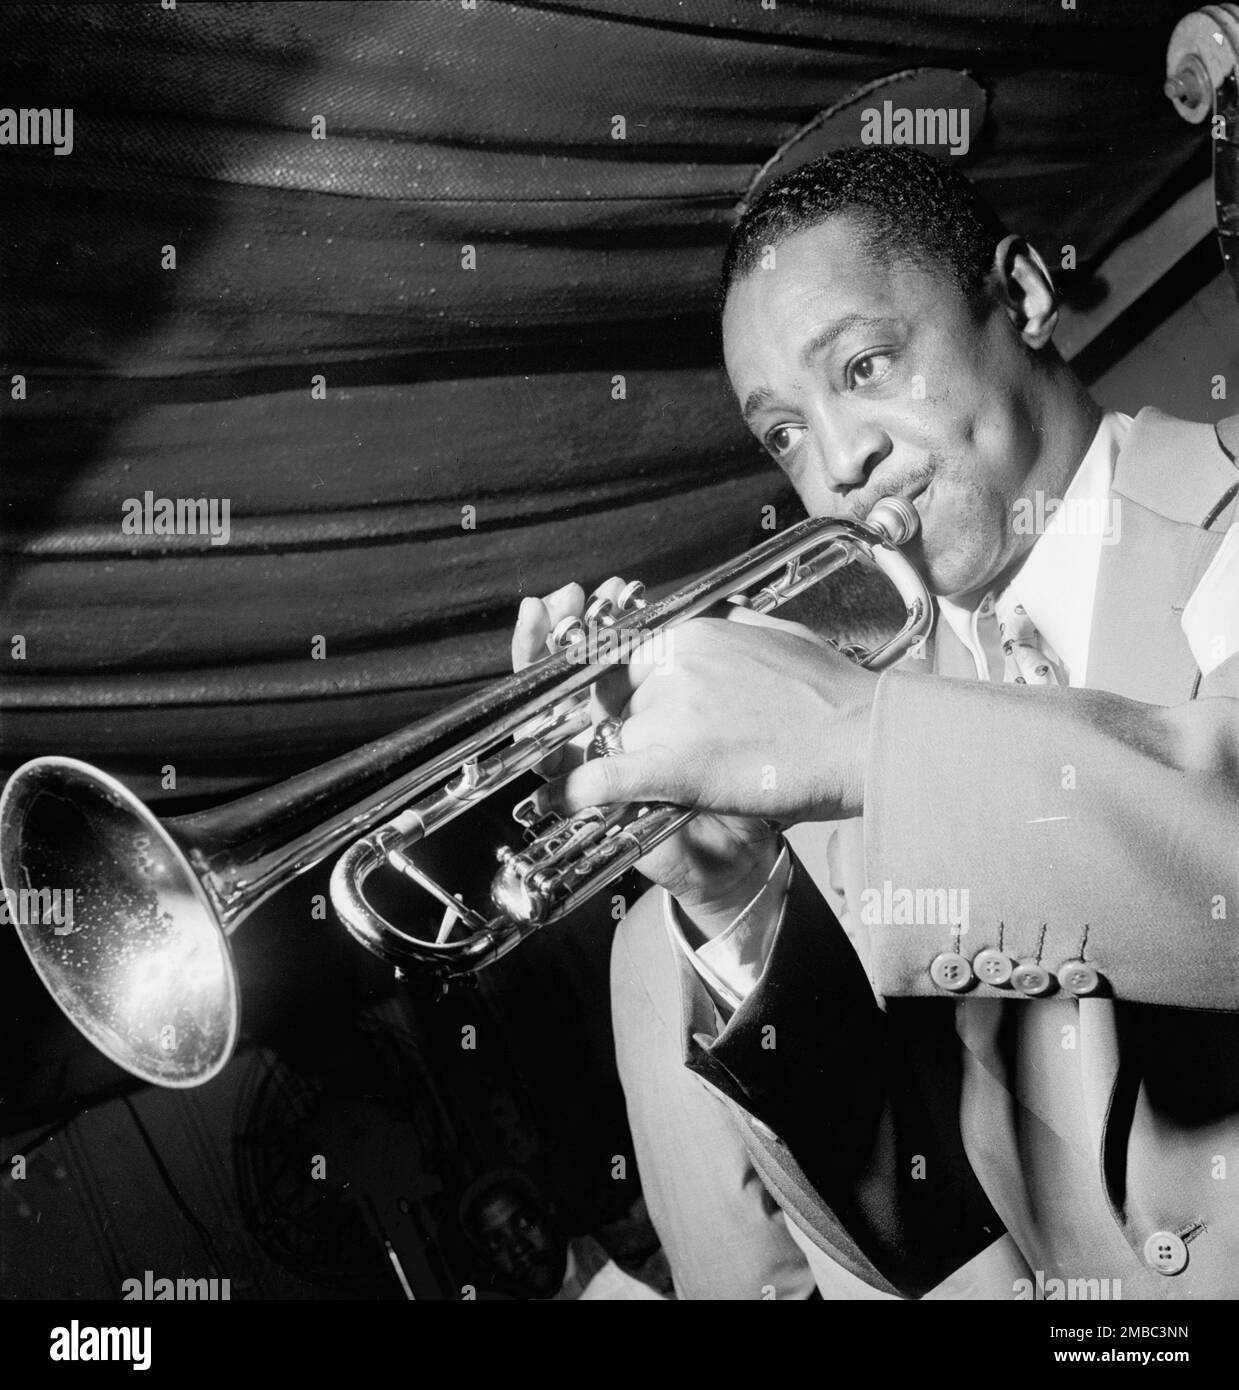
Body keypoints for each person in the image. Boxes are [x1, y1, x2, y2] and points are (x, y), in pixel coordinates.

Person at [511, 147, 1239, 1299]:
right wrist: (737, 907)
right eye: (785, 435)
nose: (842, 462)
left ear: (1023, 297)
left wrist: (861, 736)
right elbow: (915, 1237)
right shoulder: (871, 780)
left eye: (864, 363)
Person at [457, 1168, 667, 1300]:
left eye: (526, 1224)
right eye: (497, 1243)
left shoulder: (617, 1252)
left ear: (548, 1211)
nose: (518, 1248)